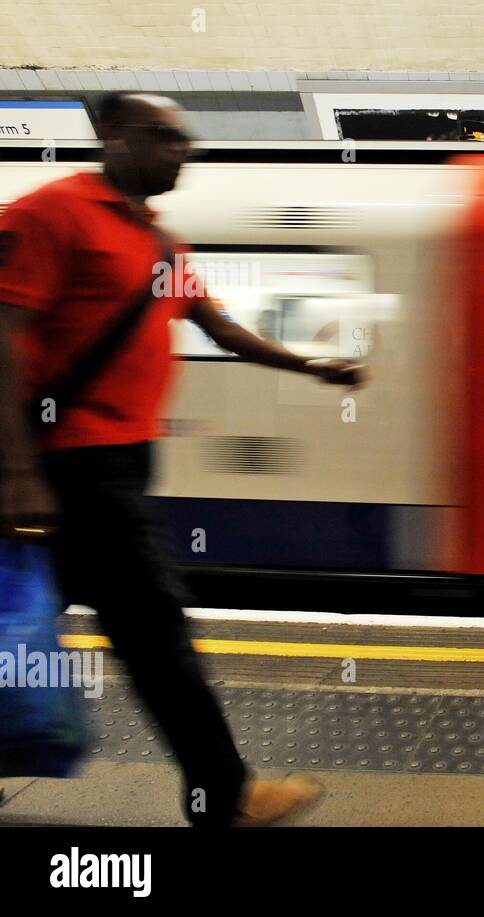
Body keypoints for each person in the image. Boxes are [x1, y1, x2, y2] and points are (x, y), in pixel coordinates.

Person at [0, 92, 368, 826]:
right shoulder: (49, 214)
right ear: (113, 137)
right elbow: (3, 335)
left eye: (184, 139)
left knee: (35, 625)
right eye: (166, 136)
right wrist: (18, 471)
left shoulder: (163, 246)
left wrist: (311, 366)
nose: (182, 150)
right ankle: (224, 796)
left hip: (120, 465)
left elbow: (222, 329)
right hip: (73, 466)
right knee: (155, 632)